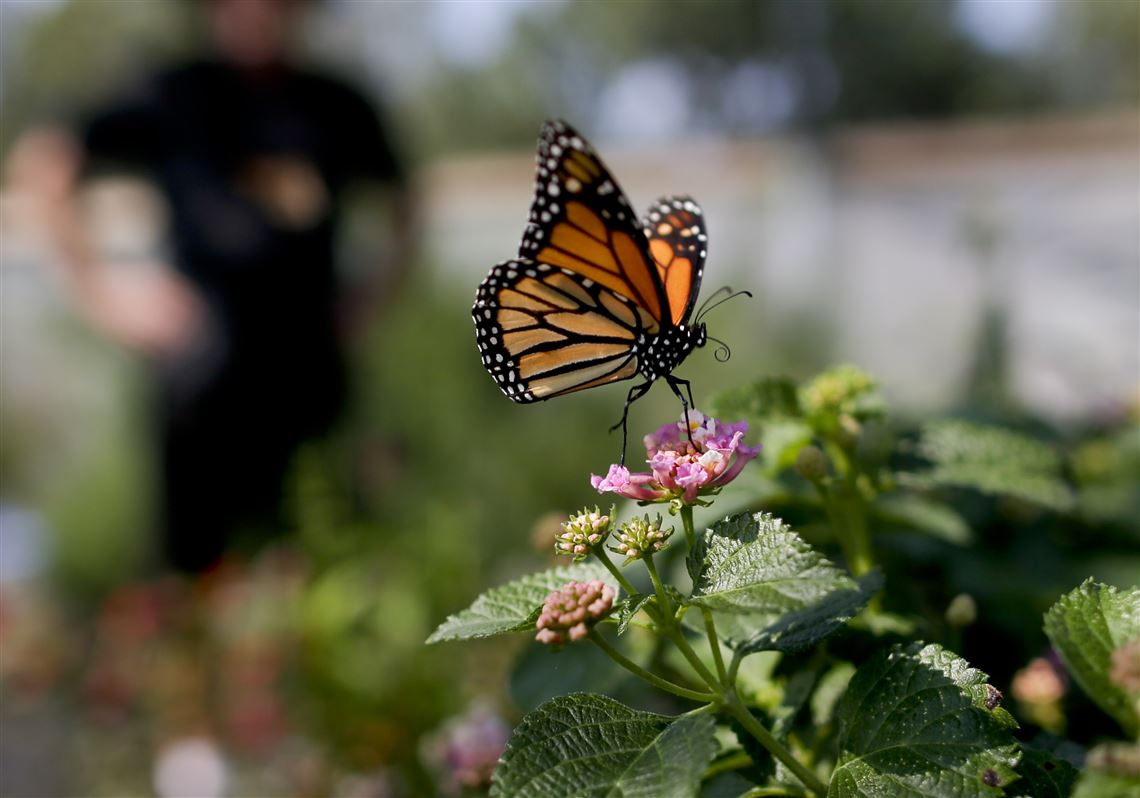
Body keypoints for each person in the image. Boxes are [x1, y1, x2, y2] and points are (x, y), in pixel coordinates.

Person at [6, 0, 414, 572]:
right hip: (202, 392)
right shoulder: (174, 94)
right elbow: (46, 163)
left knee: (325, 565)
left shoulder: (336, 105)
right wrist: (106, 295)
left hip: (310, 380)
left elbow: (404, 206)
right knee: (196, 582)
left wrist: (370, 300)